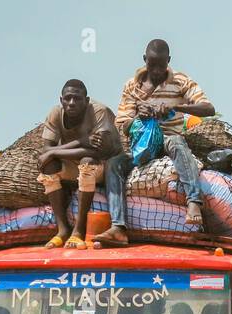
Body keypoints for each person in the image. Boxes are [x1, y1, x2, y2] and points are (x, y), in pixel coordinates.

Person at [92, 39, 215, 247]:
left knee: (177, 142)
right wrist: (139, 116)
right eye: (152, 65)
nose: (157, 70)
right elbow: (122, 123)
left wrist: (177, 108)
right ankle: (118, 227)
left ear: (169, 61)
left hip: (167, 139)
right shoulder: (131, 86)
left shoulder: (181, 80)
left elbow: (208, 108)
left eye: (161, 65)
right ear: (144, 60)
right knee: (114, 164)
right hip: (140, 144)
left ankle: (193, 202)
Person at [36, 79, 121, 249]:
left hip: (103, 165)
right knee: (48, 166)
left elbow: (96, 152)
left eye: (77, 98)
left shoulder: (99, 112)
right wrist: (82, 142)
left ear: (87, 100)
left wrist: (54, 151)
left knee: (87, 162)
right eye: (67, 98)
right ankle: (62, 229)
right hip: (73, 165)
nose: (72, 103)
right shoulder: (55, 113)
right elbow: (46, 150)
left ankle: (79, 229)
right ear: (61, 100)